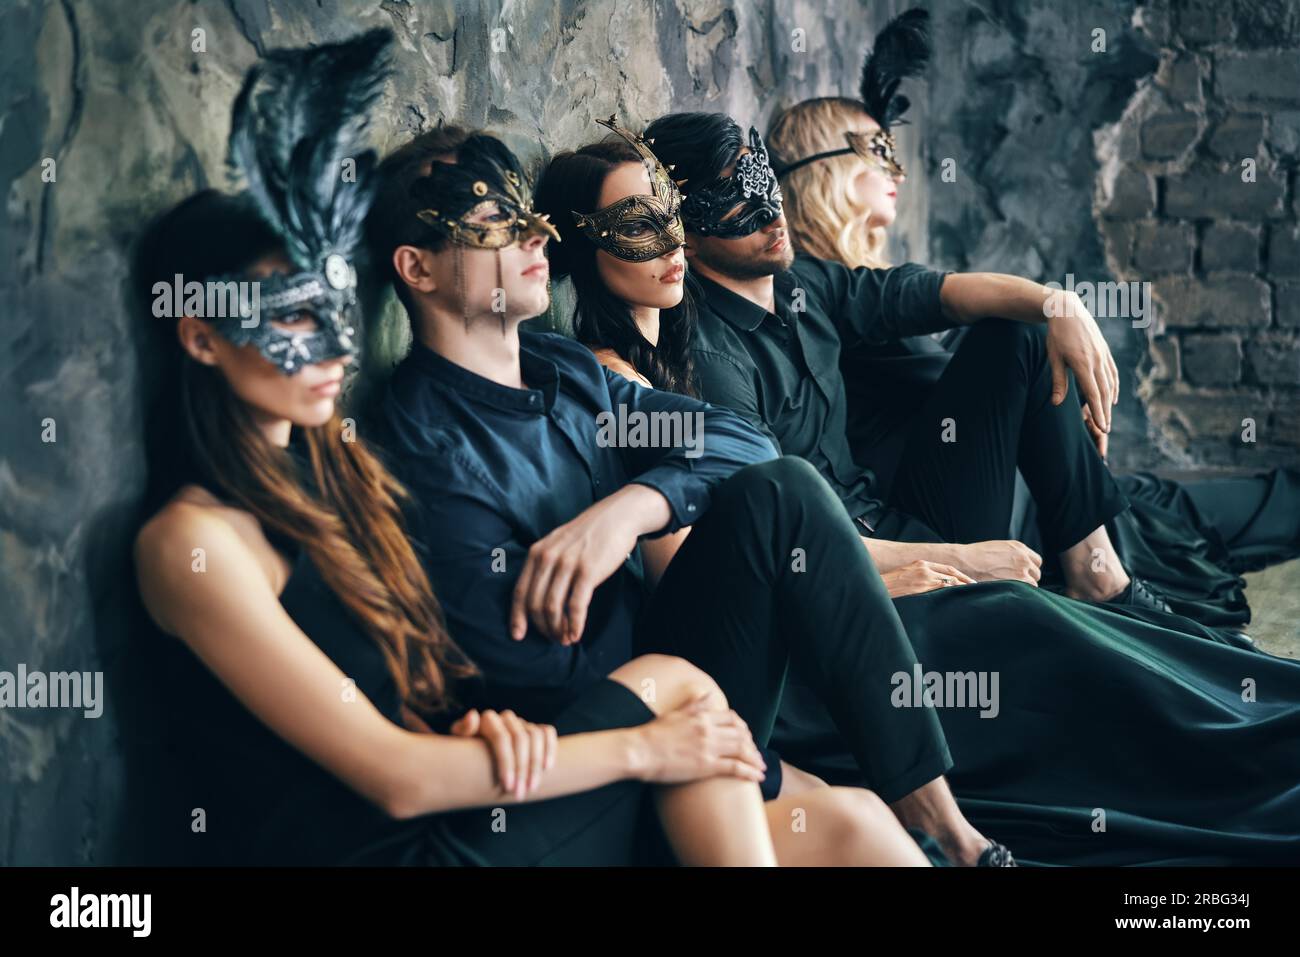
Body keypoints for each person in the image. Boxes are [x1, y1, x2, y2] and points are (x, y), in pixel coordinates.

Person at [133, 30, 918, 869]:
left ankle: (950, 829)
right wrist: (645, 747)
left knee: (855, 818)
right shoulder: (192, 542)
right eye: (290, 316)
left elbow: (417, 690)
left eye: (333, 309)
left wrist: (481, 719)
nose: (331, 347)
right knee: (681, 693)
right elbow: (395, 776)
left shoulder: (343, 474)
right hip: (413, 844)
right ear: (202, 335)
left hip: (486, 778)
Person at [533, 113, 1300, 865]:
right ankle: (1233, 755)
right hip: (807, 629)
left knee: (1062, 603)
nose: (765, 211)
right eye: (646, 225)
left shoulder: (779, 298)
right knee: (1036, 633)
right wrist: (940, 565)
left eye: (670, 216)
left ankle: (1204, 679)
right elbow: (718, 565)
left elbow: (930, 295)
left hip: (869, 550)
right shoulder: (630, 376)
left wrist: (1055, 301)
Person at [361, 122, 1020, 866]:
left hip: (679, 676)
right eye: (493, 227)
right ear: (416, 269)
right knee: (848, 821)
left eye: (527, 217)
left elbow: (746, 442)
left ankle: (945, 824)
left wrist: (628, 510)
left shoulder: (564, 371)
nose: (531, 239)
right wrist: (701, 745)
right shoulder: (423, 447)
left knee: (784, 491)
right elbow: (525, 674)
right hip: (585, 749)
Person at [765, 6, 1300, 630]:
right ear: (820, 166)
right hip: (978, 523)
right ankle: (1098, 576)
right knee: (1207, 505)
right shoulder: (812, 298)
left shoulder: (866, 286)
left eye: (895, 150)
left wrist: (1050, 419)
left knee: (1241, 501)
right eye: (875, 147)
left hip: (1029, 500)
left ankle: (1100, 556)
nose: (895, 167)